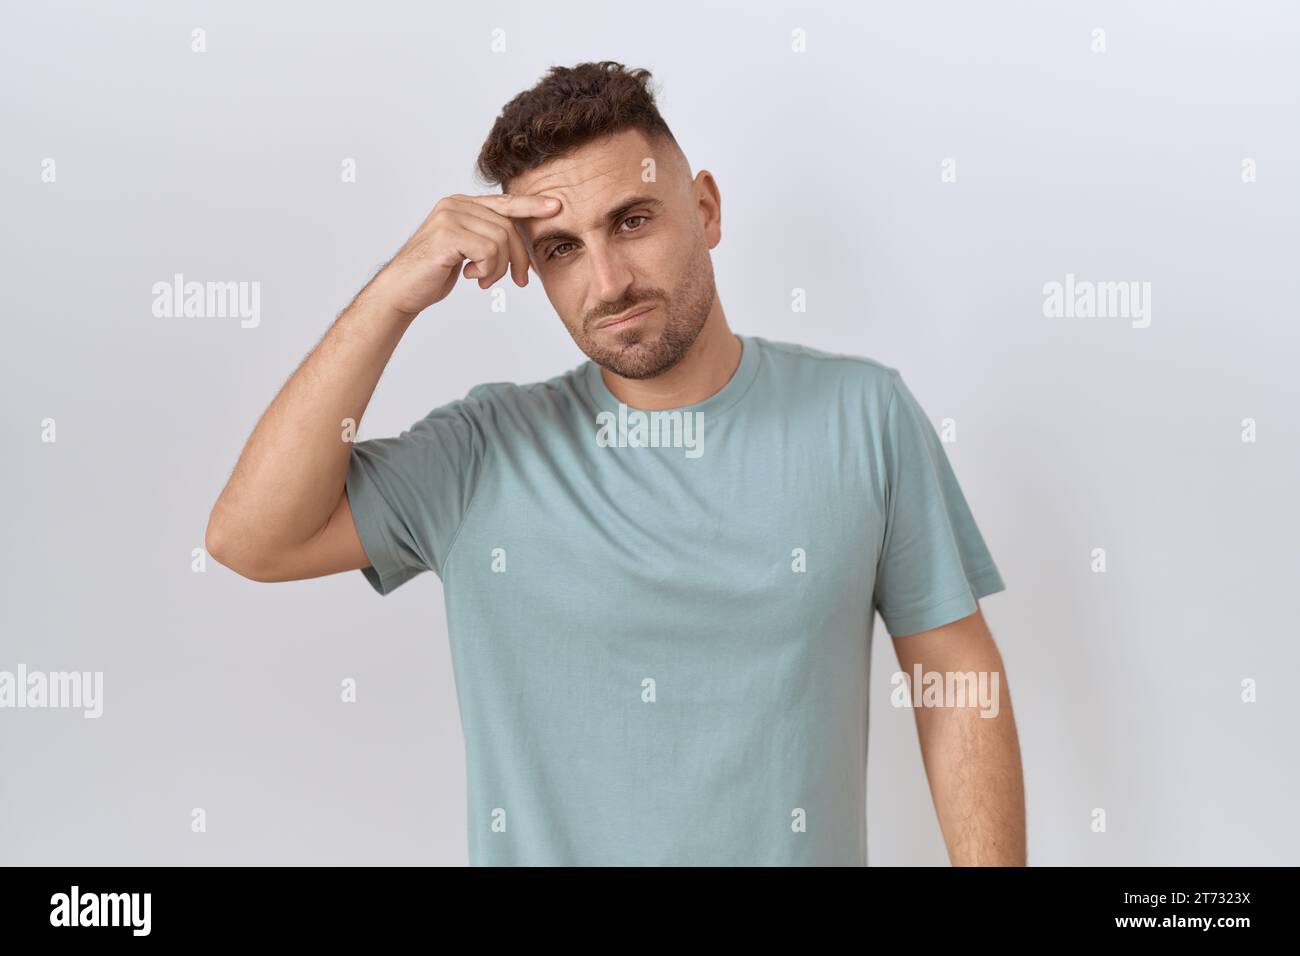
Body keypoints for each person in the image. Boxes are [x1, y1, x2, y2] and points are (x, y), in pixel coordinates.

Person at [205, 61, 1025, 866]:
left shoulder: (864, 416)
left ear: (704, 209)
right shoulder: (481, 453)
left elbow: (954, 673)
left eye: (632, 220)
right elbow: (252, 539)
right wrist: (391, 294)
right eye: (561, 248)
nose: (608, 281)